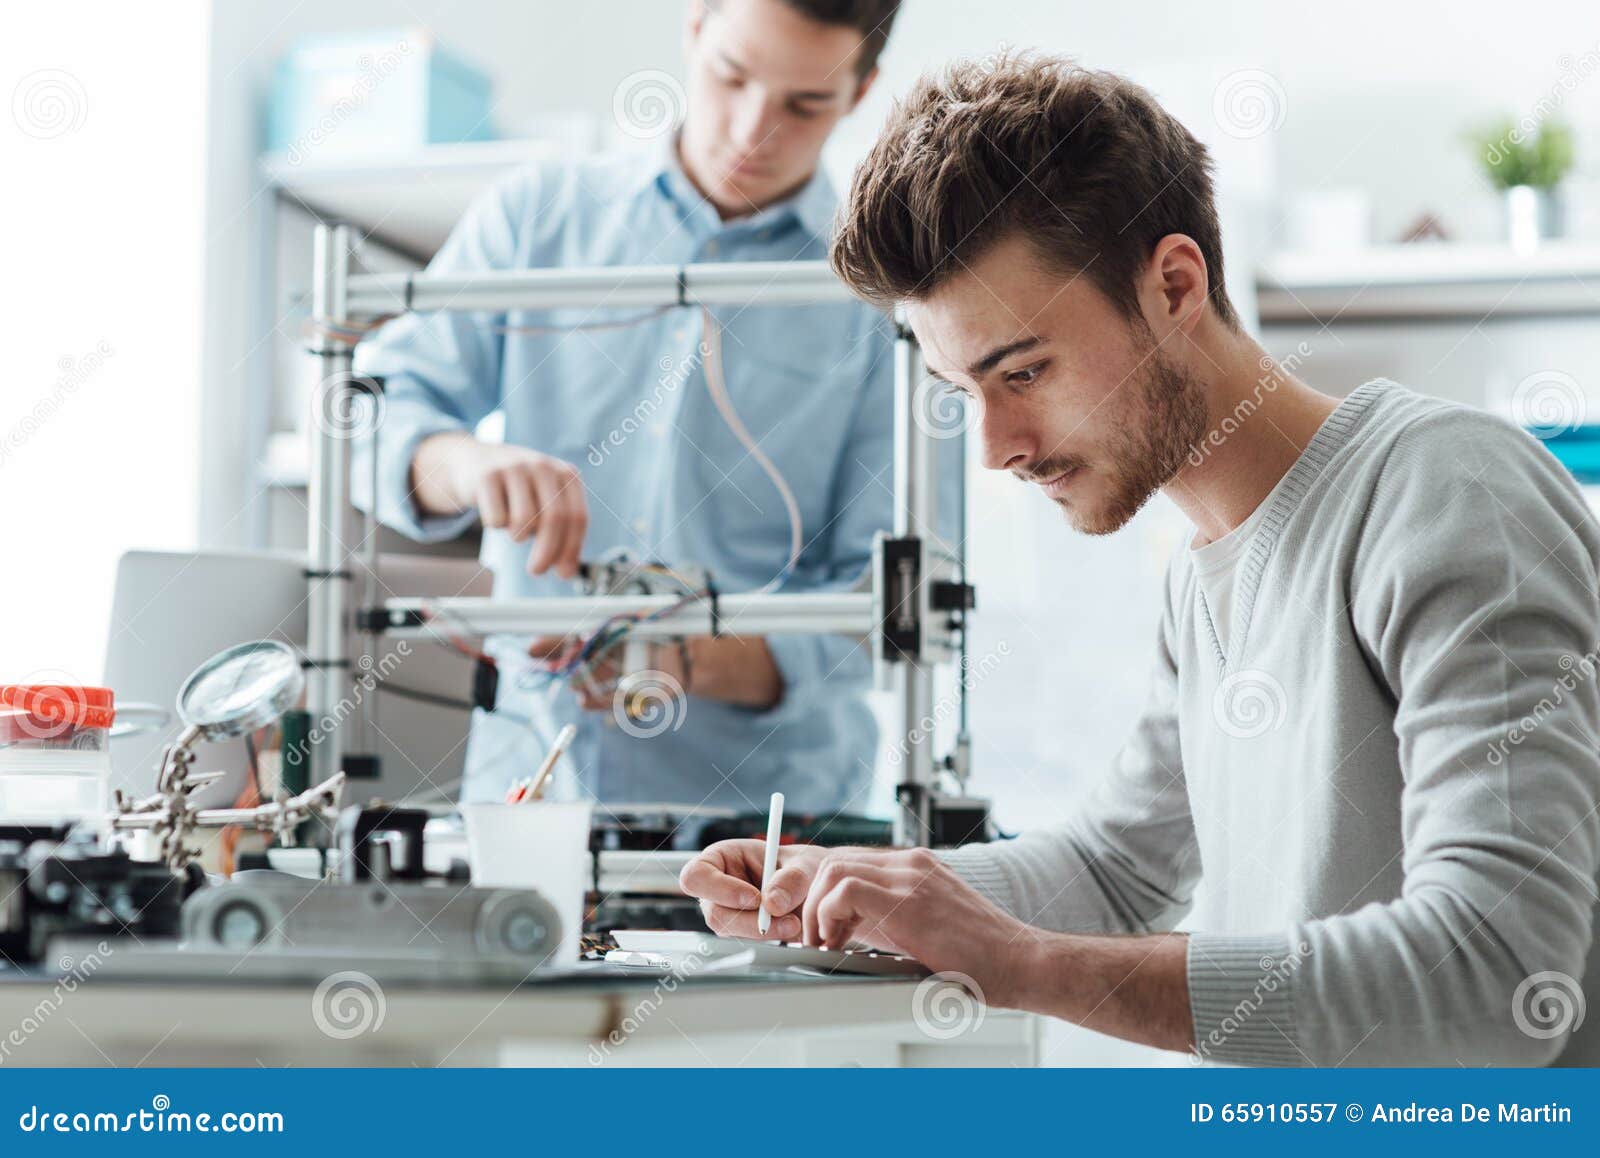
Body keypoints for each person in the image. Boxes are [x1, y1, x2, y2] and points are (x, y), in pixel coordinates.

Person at [679, 52, 1600, 1065]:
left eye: (1023, 369)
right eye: (961, 389)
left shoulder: (1448, 493)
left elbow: (1501, 973)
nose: (996, 447)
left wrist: (1020, 963)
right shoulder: (1203, 563)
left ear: (1172, 284)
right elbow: (1119, 870)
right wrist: (859, 883)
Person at [356, 0, 904, 811]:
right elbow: (370, 417)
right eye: (731, 76)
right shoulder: (537, 218)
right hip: (530, 790)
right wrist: (466, 465)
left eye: (804, 104)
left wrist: (687, 661)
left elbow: (895, 600)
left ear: (860, 93)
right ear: (693, 31)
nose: (752, 132)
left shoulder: (882, 296)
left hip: (771, 820)